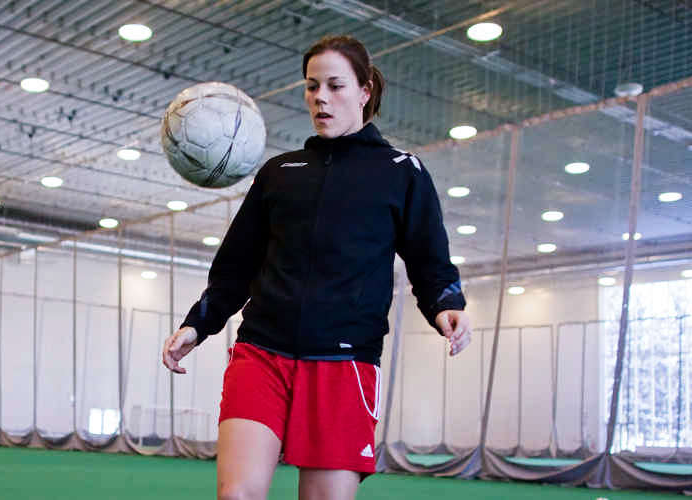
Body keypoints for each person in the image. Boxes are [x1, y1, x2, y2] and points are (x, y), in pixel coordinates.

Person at [161, 35, 473, 500]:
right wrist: (198, 323)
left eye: (335, 85)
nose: (320, 98)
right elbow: (236, 266)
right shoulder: (279, 172)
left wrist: (445, 303)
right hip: (263, 352)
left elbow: (430, 260)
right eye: (311, 86)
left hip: (344, 362)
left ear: (365, 91)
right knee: (235, 494)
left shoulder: (402, 171)